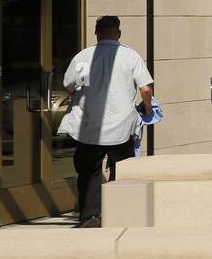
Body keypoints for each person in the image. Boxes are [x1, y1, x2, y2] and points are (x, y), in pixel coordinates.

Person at [57, 15, 154, 227]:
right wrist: (147, 108)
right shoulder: (130, 56)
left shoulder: (84, 57)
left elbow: (69, 84)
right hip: (121, 128)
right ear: (118, 33)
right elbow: (145, 88)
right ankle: (121, 215)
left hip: (89, 127)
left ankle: (91, 216)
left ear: (96, 33)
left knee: (89, 173)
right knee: (121, 172)